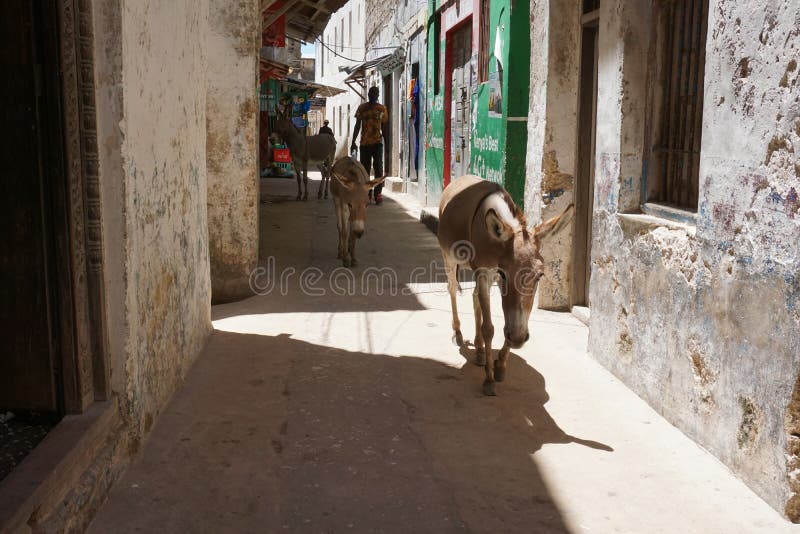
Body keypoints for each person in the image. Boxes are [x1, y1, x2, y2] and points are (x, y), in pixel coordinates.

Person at [351, 86, 388, 204]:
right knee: (365, 170)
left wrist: (386, 144)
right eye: (371, 93)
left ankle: (378, 193)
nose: (373, 95)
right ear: (368, 95)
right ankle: (367, 193)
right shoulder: (362, 108)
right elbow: (357, 125)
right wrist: (353, 141)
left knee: (378, 168)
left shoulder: (382, 109)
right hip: (364, 143)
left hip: (377, 143)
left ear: (378, 95)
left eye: (375, 93)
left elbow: (384, 127)